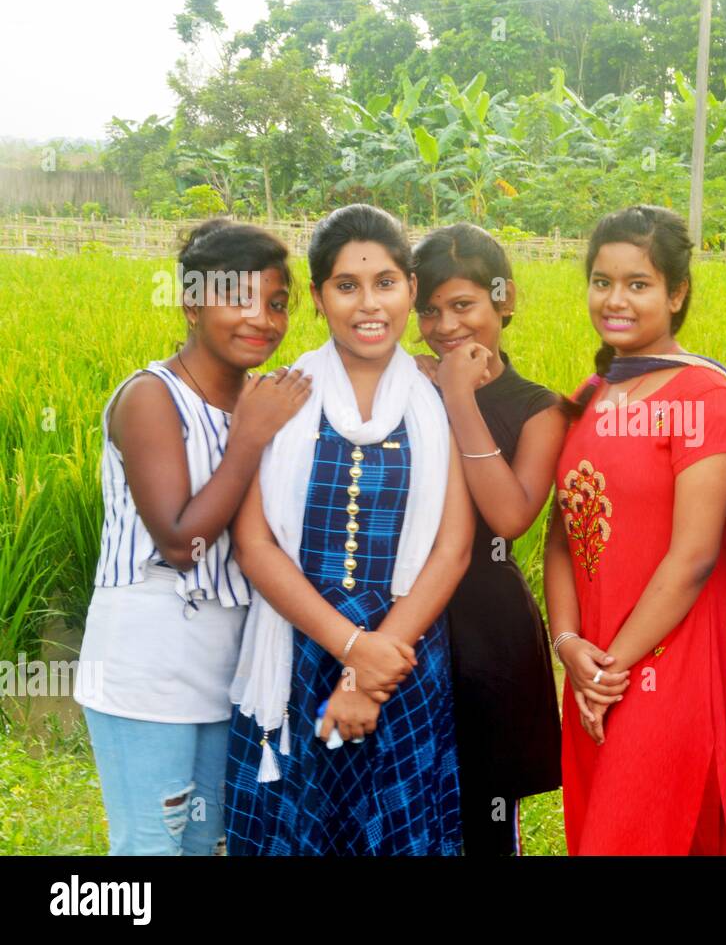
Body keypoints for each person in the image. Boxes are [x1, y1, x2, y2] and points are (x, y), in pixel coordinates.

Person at [224, 204, 475, 856]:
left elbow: (453, 549)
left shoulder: (438, 398)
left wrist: (371, 669)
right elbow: (255, 546)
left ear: (411, 289)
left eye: (386, 282)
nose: (369, 304)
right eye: (346, 285)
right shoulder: (279, 396)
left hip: (403, 657)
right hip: (301, 654)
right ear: (317, 296)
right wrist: (349, 650)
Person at [74, 219, 310, 855]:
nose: (262, 318)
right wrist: (251, 439)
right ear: (192, 303)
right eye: (240, 299)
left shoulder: (262, 400)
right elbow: (181, 541)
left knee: (206, 842)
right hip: (148, 658)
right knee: (153, 844)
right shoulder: (152, 398)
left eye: (278, 302)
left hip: (226, 661)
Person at [544, 204, 726, 855]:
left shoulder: (706, 400)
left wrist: (613, 670)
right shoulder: (591, 391)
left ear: (677, 292)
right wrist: (570, 644)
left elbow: (692, 558)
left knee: (639, 830)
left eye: (638, 284)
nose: (615, 300)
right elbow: (561, 531)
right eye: (602, 281)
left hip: (665, 666)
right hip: (594, 661)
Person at [411, 223, 565, 855]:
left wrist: (455, 396)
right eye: (429, 309)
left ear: (505, 299)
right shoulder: (402, 386)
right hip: (404, 624)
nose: (446, 324)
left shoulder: (541, 408)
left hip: (485, 634)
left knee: (485, 815)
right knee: (409, 796)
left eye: (464, 305)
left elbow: (508, 516)